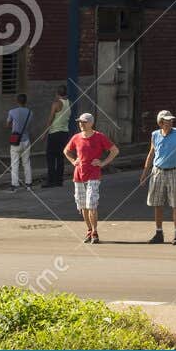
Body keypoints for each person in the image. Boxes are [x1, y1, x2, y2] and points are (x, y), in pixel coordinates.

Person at [63, 112, 118, 243]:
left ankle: (95, 232)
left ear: (91, 123)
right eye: (80, 122)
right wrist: (73, 161)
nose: (81, 124)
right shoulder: (76, 137)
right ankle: (89, 230)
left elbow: (115, 150)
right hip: (78, 175)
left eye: (84, 122)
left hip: (93, 175)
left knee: (91, 205)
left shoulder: (99, 136)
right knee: (83, 206)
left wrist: (103, 163)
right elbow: (66, 151)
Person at [140, 110, 176, 245]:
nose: (170, 122)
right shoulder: (155, 135)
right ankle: (159, 233)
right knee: (157, 203)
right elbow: (151, 154)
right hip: (158, 172)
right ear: (160, 123)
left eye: (171, 120)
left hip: (175, 171)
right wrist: (145, 173)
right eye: (167, 120)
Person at [39, 86, 72, 188]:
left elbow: (50, 119)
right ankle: (59, 180)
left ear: (57, 94)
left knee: (51, 157)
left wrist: (44, 133)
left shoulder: (56, 104)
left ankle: (51, 180)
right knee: (60, 157)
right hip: (64, 133)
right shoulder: (69, 103)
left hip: (55, 133)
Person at [6, 93, 33, 190]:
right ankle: (29, 184)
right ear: (26, 101)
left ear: (17, 101)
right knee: (26, 162)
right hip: (26, 140)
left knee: (15, 163)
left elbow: (7, 125)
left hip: (15, 140)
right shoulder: (30, 112)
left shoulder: (12, 112)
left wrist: (14, 126)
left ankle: (15, 184)